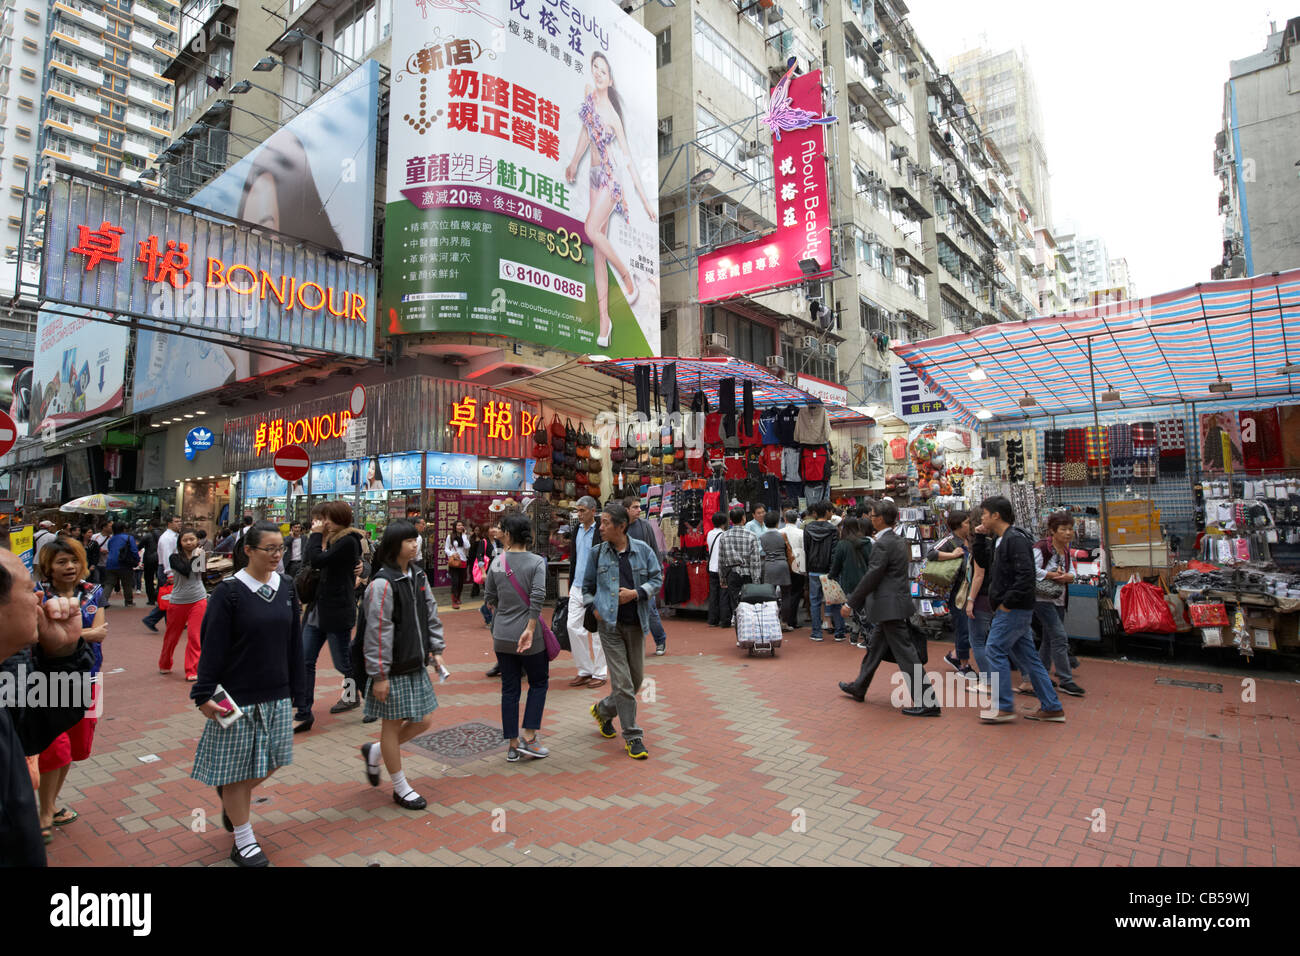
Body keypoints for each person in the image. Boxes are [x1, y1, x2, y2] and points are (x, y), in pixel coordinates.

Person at [190, 520, 306, 867]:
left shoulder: (286, 587)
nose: (276, 555)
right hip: (236, 696)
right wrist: (203, 693)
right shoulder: (230, 592)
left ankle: (230, 797)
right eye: (269, 548)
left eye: (280, 548)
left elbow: (293, 644)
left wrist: (300, 692)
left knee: (276, 759)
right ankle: (243, 840)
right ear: (248, 551)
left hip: (277, 692)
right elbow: (212, 646)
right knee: (239, 772)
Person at [0, 547, 94, 866]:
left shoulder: (9, 663)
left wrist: (63, 655)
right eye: (29, 589)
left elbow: (31, 729)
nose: (39, 599)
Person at [564, 51, 656, 348]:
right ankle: (604, 320)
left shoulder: (614, 117)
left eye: (603, 69)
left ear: (610, 78)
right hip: (592, 177)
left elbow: (629, 163)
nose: (598, 72)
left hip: (609, 178)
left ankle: (627, 276)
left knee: (590, 230)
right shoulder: (589, 97)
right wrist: (573, 162)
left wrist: (644, 202)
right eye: (595, 68)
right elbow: (584, 133)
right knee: (597, 255)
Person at [358, 520, 445, 809]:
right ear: (395, 545)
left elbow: (430, 613)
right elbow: (377, 631)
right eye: (409, 540)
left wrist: (435, 649)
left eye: (416, 539)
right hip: (392, 668)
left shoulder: (419, 575)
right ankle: (400, 786)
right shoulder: (382, 583)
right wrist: (379, 674)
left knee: (424, 720)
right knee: (392, 727)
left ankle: (376, 752)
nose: (415, 544)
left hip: (414, 663)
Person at [34, 538, 107, 845]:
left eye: (73, 561)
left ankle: (50, 804)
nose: (69, 567)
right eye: (61, 562)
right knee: (55, 748)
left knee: (75, 748)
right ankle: (44, 814)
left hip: (89, 679)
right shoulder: (38, 595)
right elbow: (37, 637)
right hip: (49, 681)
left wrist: (66, 636)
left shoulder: (93, 591)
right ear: (48, 566)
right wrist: (83, 634)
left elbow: (101, 633)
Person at [837, 500, 938, 717]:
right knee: (875, 648)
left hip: (888, 605)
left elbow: (872, 576)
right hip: (891, 604)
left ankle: (928, 701)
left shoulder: (883, 543)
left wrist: (850, 602)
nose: (870, 518)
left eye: (872, 515)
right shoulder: (897, 540)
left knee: (905, 654)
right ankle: (860, 686)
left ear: (880, 518)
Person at [582, 503, 661, 760]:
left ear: (621, 526)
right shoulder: (597, 554)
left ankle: (603, 710)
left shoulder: (643, 550)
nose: (601, 527)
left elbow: (657, 578)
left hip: (637, 624)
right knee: (624, 684)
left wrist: (637, 593)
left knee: (636, 681)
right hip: (609, 626)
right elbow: (587, 587)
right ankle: (633, 737)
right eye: (600, 522)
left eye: (605, 523)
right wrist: (593, 607)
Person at [976, 496, 1066, 724]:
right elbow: (984, 564)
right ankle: (1052, 706)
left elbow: (1026, 575)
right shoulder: (1001, 539)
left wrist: (1006, 603)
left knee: (994, 649)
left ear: (996, 515)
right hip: (1013, 608)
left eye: (984, 513)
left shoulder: (1014, 539)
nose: (982, 517)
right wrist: (978, 537)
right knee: (1029, 658)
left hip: (1013, 609)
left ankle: (1004, 706)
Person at [483, 514, 549, 761]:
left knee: (509, 689)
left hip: (502, 635)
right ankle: (529, 737)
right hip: (529, 636)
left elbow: (490, 596)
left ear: (509, 535)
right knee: (538, 683)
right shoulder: (537, 562)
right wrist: (530, 627)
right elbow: (538, 597)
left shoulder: (497, 562)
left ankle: (512, 744)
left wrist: (504, 609)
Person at [295, 501, 363, 732]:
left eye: (328, 519)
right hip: (316, 610)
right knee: (305, 660)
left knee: (343, 662)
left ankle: (363, 693)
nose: (323, 523)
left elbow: (318, 560)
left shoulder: (347, 540)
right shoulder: (321, 540)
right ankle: (304, 710)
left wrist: (315, 539)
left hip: (336, 612)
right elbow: (307, 564)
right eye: (321, 518)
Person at [1030, 512, 1085, 697]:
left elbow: (1071, 571)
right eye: (1064, 529)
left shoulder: (1066, 550)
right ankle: (1065, 680)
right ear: (1053, 531)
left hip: (1059, 599)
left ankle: (1039, 675)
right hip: (1042, 600)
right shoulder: (1041, 548)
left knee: (1048, 638)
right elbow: (1031, 569)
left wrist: (1070, 577)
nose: (1068, 533)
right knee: (1060, 637)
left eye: (1070, 529)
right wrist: (1052, 575)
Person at [929, 510, 976, 677]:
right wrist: (952, 554)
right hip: (957, 592)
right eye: (966, 523)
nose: (970, 525)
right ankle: (963, 664)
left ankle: (955, 655)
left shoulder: (970, 540)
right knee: (964, 627)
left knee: (969, 627)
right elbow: (931, 553)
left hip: (970, 590)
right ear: (957, 525)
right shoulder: (950, 541)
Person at [566, 496, 607, 687]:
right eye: (577, 510)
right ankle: (585, 669)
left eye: (582, 510)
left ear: (593, 510)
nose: (579, 514)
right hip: (576, 586)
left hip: (596, 587)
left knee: (597, 631)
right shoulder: (576, 530)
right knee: (572, 627)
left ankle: (600, 673)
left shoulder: (601, 530)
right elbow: (575, 559)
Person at [159, 527, 207, 681]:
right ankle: (165, 663)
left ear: (197, 541)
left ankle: (192, 670)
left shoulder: (201, 554)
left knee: (195, 636)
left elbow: (198, 573)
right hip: (178, 601)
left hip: (198, 599)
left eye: (192, 539)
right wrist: (194, 556)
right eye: (185, 540)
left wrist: (199, 557)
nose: (189, 542)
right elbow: (186, 571)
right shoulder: (174, 557)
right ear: (180, 542)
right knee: (172, 636)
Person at [624, 497, 668, 656]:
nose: (638, 510)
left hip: (644, 576)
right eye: (635, 507)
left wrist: (659, 571)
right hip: (625, 576)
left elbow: (654, 549)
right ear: (626, 509)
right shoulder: (620, 527)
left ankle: (660, 640)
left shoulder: (645, 526)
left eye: (638, 507)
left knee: (649, 610)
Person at [827, 517, 873, 643]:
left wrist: (831, 576)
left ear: (844, 528)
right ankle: (859, 635)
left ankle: (868, 638)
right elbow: (873, 562)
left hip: (850, 582)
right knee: (863, 610)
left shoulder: (842, 544)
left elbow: (836, 565)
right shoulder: (866, 542)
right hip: (867, 580)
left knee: (858, 611)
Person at [717, 506, 762, 628]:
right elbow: (755, 560)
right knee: (749, 605)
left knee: (736, 605)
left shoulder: (724, 536)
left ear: (731, 520)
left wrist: (722, 578)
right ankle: (750, 631)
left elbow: (721, 559)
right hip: (748, 574)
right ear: (744, 518)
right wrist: (756, 579)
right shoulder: (751, 536)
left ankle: (740, 633)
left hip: (732, 573)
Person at [803, 502, 838, 643]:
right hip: (828, 569)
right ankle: (838, 631)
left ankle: (816, 632)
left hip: (813, 569)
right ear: (827, 512)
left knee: (815, 601)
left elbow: (806, 549)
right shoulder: (833, 529)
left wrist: (807, 567)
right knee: (833, 600)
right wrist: (833, 569)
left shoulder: (808, 528)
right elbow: (834, 552)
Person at [142, 514, 181, 632]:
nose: (179, 523)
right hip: (167, 569)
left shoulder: (175, 536)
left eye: (180, 521)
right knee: (169, 597)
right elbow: (166, 557)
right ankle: (153, 619)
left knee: (170, 597)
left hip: (171, 569)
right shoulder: (167, 538)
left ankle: (162, 621)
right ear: (169, 523)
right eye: (176, 521)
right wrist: (170, 573)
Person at [759, 511, 794, 632]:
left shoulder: (762, 537)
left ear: (765, 522)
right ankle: (784, 622)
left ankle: (770, 622)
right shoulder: (782, 535)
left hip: (769, 565)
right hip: (782, 564)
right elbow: (788, 550)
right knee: (786, 595)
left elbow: (762, 551)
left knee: (769, 596)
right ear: (777, 522)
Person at [778, 509, 806, 631]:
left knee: (785, 593)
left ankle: (784, 619)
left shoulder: (780, 532)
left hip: (784, 564)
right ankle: (792, 620)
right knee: (796, 593)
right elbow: (805, 550)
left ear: (785, 519)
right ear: (797, 520)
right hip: (798, 564)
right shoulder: (801, 533)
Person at [102, 521, 138, 609]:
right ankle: (128, 601)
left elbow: (110, 549)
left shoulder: (111, 539)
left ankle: (102, 601)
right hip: (124, 563)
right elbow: (134, 550)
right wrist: (137, 560)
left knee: (109, 584)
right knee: (127, 583)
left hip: (110, 563)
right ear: (123, 529)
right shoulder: (129, 538)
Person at [705, 511, 727, 627]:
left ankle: (713, 620)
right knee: (723, 594)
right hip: (722, 568)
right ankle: (724, 619)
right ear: (724, 523)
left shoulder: (709, 534)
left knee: (713, 594)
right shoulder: (725, 534)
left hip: (712, 567)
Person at [444, 520, 470, 610]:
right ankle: (454, 601)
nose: (460, 527)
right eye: (458, 525)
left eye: (461, 525)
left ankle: (458, 597)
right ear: (455, 527)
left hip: (463, 560)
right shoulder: (450, 536)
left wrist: (464, 535)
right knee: (455, 581)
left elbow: (467, 546)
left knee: (461, 582)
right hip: (454, 561)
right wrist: (452, 554)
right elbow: (446, 548)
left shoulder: (464, 536)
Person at [139, 521, 160, 606]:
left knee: (149, 580)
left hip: (149, 560)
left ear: (150, 526)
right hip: (160, 559)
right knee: (161, 579)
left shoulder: (147, 536)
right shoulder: (163, 535)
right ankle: (159, 596)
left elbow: (139, 546)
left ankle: (151, 599)